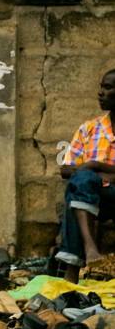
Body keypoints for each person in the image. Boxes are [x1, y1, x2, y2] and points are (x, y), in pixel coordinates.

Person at [57, 69, 115, 279]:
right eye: (101, 87)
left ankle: (72, 272)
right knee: (79, 184)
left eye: (108, 88)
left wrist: (93, 164)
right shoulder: (89, 128)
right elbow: (65, 169)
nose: (100, 93)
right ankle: (89, 249)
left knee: (80, 183)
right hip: (93, 195)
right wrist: (95, 173)